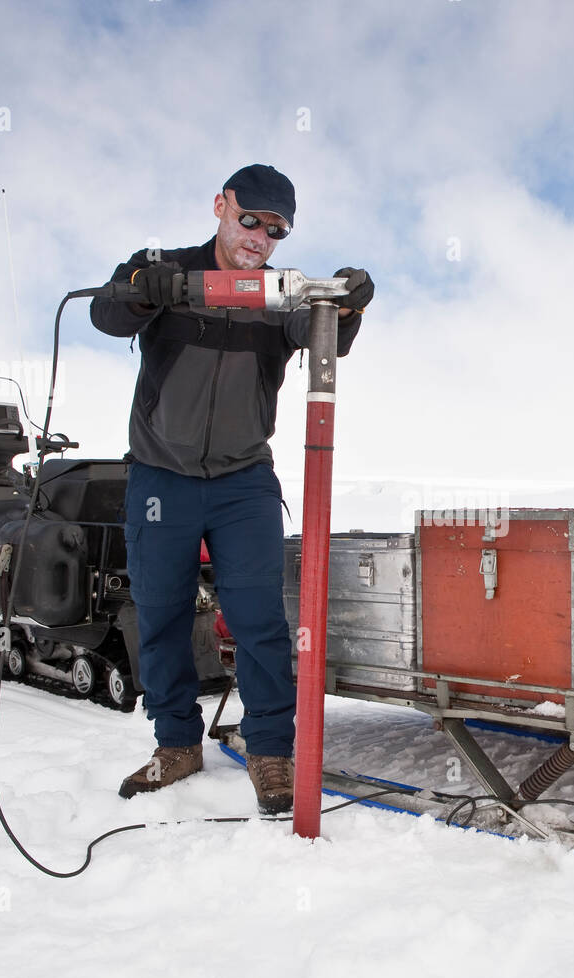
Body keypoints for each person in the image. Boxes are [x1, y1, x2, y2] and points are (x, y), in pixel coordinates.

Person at [90, 164, 373, 813]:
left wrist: (348, 304)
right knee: (160, 614)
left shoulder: (282, 295)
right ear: (221, 206)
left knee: (258, 619)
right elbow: (109, 312)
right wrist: (143, 290)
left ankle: (271, 753)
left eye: (276, 229)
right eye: (251, 220)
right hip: (161, 474)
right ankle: (177, 746)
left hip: (243, 479)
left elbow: (322, 332)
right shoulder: (164, 268)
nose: (260, 237)